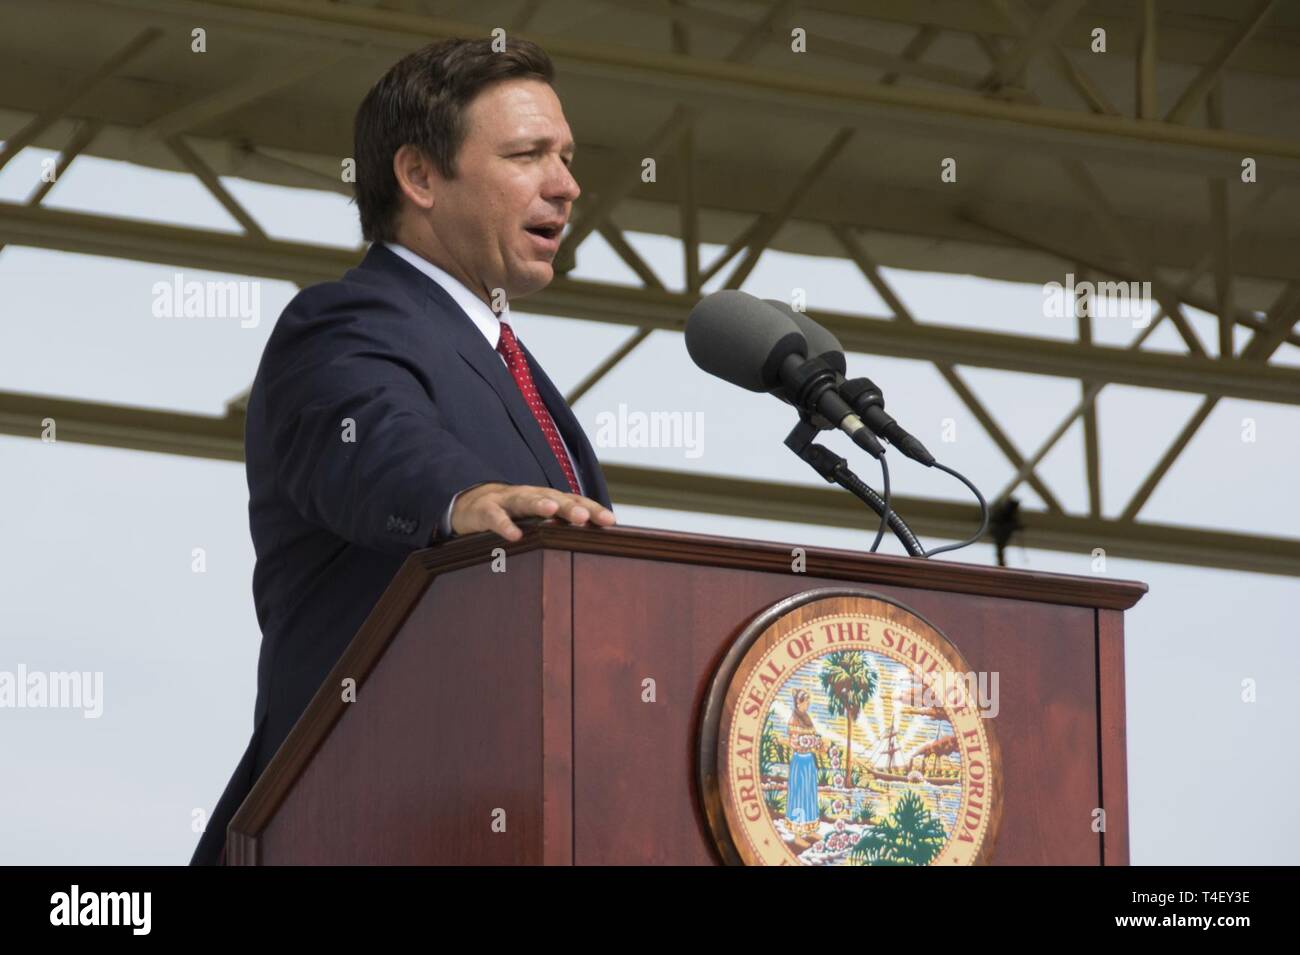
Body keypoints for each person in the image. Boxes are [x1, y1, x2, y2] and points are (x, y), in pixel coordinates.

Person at [190, 37, 615, 865]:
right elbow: (373, 436)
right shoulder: (345, 322)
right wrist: (459, 498)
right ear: (419, 177)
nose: (566, 184)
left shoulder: (523, 378)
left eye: (565, 157)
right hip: (356, 825)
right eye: (527, 155)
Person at [785, 689, 822, 841]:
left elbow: (813, 736)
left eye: (808, 702)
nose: (808, 705)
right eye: (806, 702)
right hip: (799, 760)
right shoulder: (794, 719)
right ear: (798, 702)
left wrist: (817, 743)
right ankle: (797, 834)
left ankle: (810, 828)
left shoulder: (807, 718)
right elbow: (794, 742)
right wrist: (805, 742)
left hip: (808, 760)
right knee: (799, 795)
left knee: (809, 794)